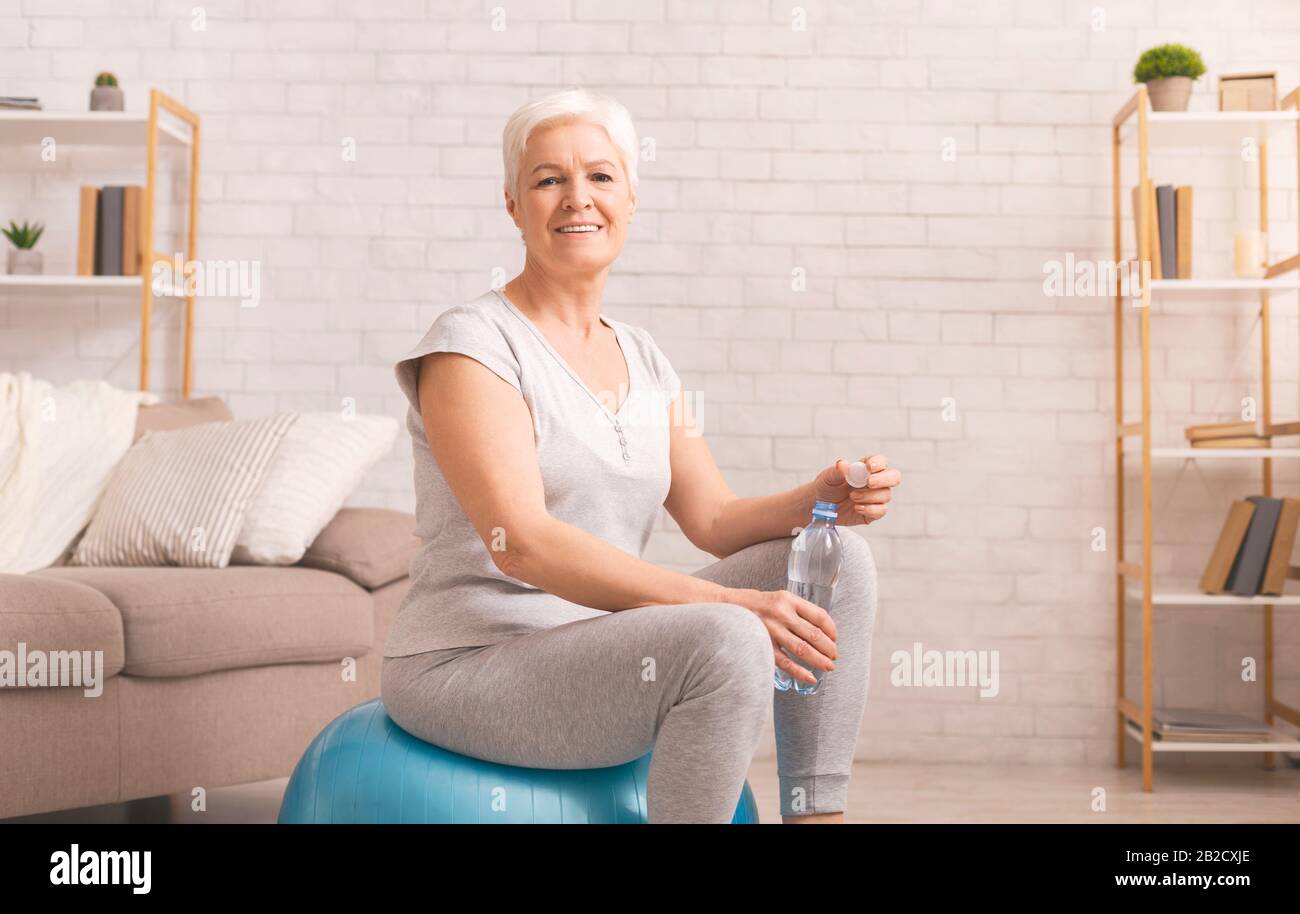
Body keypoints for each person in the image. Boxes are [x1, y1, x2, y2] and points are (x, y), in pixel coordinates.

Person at [381, 87, 902, 824]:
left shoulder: (645, 358)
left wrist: (816, 499)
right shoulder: (471, 347)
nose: (576, 199)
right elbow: (521, 545)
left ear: (631, 199)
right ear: (512, 204)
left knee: (838, 560)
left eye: (599, 176)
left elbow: (714, 518)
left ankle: (817, 816)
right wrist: (730, 604)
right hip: (471, 663)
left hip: (602, 645)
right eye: (547, 179)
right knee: (723, 638)